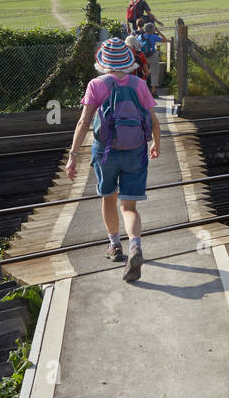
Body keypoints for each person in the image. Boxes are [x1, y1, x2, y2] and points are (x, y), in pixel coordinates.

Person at [65, 37, 160, 281]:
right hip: (136, 151)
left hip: (105, 152)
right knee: (129, 207)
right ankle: (135, 246)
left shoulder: (96, 84)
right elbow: (154, 120)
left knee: (109, 197)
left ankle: (115, 245)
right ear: (128, 62)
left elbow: (84, 122)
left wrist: (73, 156)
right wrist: (156, 145)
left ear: (102, 62)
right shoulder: (139, 84)